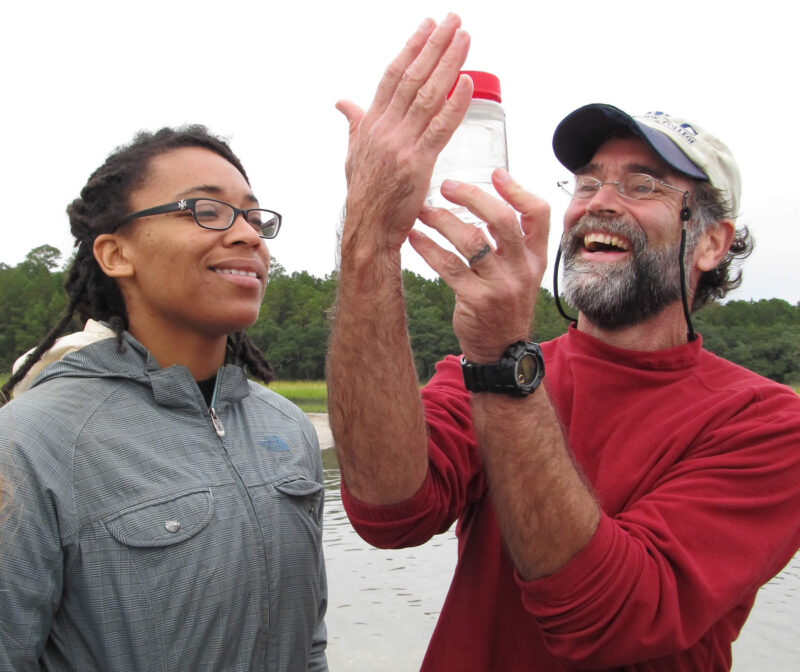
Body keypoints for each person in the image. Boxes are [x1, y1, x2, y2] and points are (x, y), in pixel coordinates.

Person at [327, 14, 800, 671]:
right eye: (586, 182)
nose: (599, 201)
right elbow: (388, 514)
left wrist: (500, 363)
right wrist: (369, 241)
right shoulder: (482, 370)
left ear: (713, 243)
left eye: (642, 185)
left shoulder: (771, 424)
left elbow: (608, 618)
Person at [0, 126, 328, 671]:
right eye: (205, 210)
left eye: (252, 216)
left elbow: (309, 642)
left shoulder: (287, 427)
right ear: (115, 253)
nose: (248, 235)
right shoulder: (31, 443)